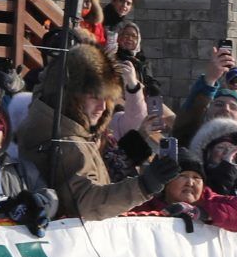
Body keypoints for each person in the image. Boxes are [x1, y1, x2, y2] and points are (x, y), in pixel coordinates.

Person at [16, 42, 195, 220]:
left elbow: (112, 167)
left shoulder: (64, 128)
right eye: (94, 97)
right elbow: (87, 204)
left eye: (107, 98)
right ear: (71, 97)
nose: (102, 106)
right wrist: (145, 185)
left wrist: (140, 143)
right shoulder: (68, 143)